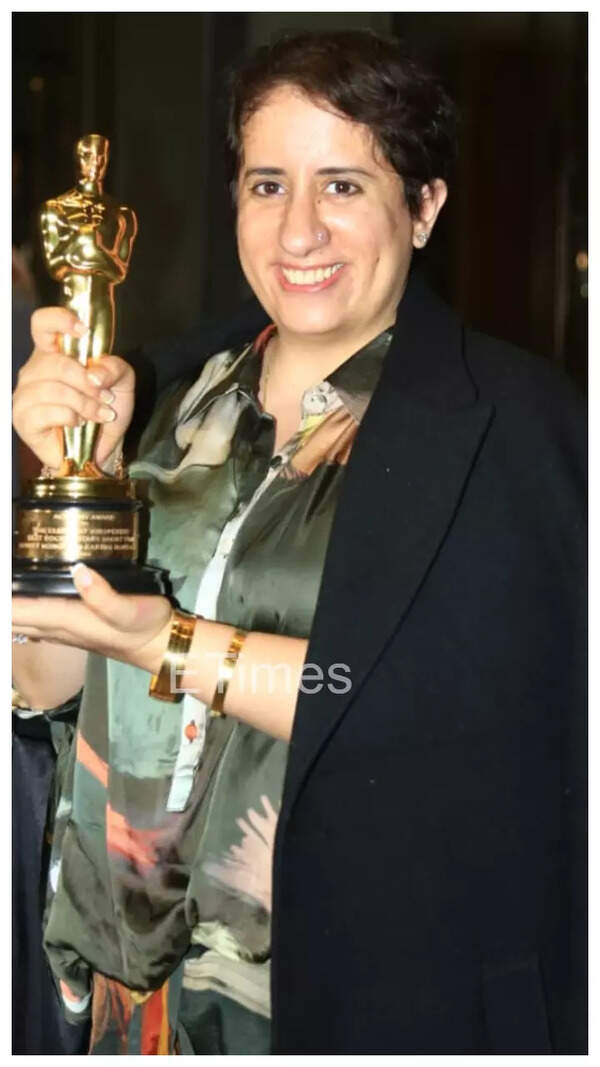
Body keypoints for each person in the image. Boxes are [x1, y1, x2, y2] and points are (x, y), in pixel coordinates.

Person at [12, 30, 586, 1054]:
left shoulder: (521, 425)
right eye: (269, 183)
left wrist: (171, 646)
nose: (300, 230)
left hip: (345, 998)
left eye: (346, 185)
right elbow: (58, 684)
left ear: (424, 207)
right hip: (120, 997)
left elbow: (445, 705)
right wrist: (57, 475)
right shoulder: (172, 399)